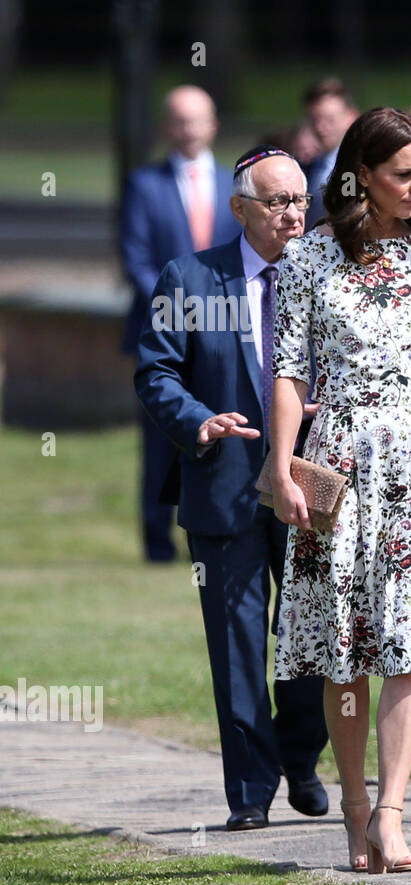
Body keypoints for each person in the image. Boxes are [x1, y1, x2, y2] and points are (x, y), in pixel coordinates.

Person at [269, 107, 411, 874]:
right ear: (361, 174)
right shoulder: (308, 259)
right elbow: (290, 373)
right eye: (403, 174)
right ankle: (355, 811)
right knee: (346, 647)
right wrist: (280, 462)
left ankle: (392, 815)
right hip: (340, 464)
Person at [134, 145, 329, 832]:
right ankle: (250, 787)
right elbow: (155, 372)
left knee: (310, 637)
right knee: (237, 643)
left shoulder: (327, 275)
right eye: (277, 201)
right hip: (224, 488)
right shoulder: (189, 277)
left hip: (312, 487)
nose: (292, 214)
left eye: (301, 200)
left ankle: (300, 756)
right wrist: (200, 421)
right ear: (240, 207)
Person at [121, 84, 242, 563]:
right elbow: (136, 260)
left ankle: (222, 526)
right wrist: (179, 313)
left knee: (222, 430)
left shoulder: (236, 184)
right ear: (166, 126)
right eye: (180, 119)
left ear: (212, 124)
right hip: (163, 331)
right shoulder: (143, 184)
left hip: (224, 334)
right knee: (160, 439)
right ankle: (156, 541)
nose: (189, 128)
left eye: (198, 119)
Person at [301, 78, 359, 230]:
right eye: (314, 120)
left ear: (351, 117)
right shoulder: (311, 166)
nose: (321, 127)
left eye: (330, 119)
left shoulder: (356, 165)